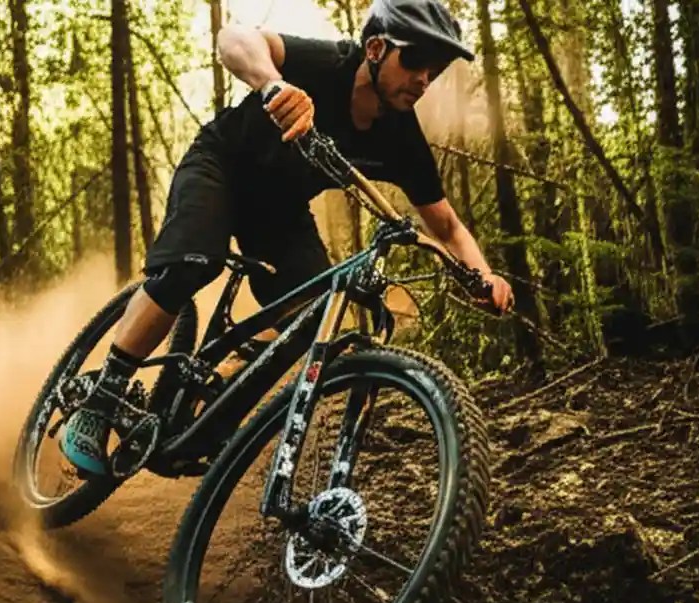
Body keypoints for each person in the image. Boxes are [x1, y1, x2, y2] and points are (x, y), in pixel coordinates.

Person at [59, 0, 515, 476]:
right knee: (193, 264)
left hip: (279, 217)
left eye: (435, 70)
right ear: (376, 48)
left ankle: (213, 407)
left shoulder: (400, 138)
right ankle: (102, 396)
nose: (424, 79)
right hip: (222, 167)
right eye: (415, 61)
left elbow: (445, 226)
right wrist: (271, 83)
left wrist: (482, 277)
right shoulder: (330, 64)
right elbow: (234, 39)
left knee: (314, 318)